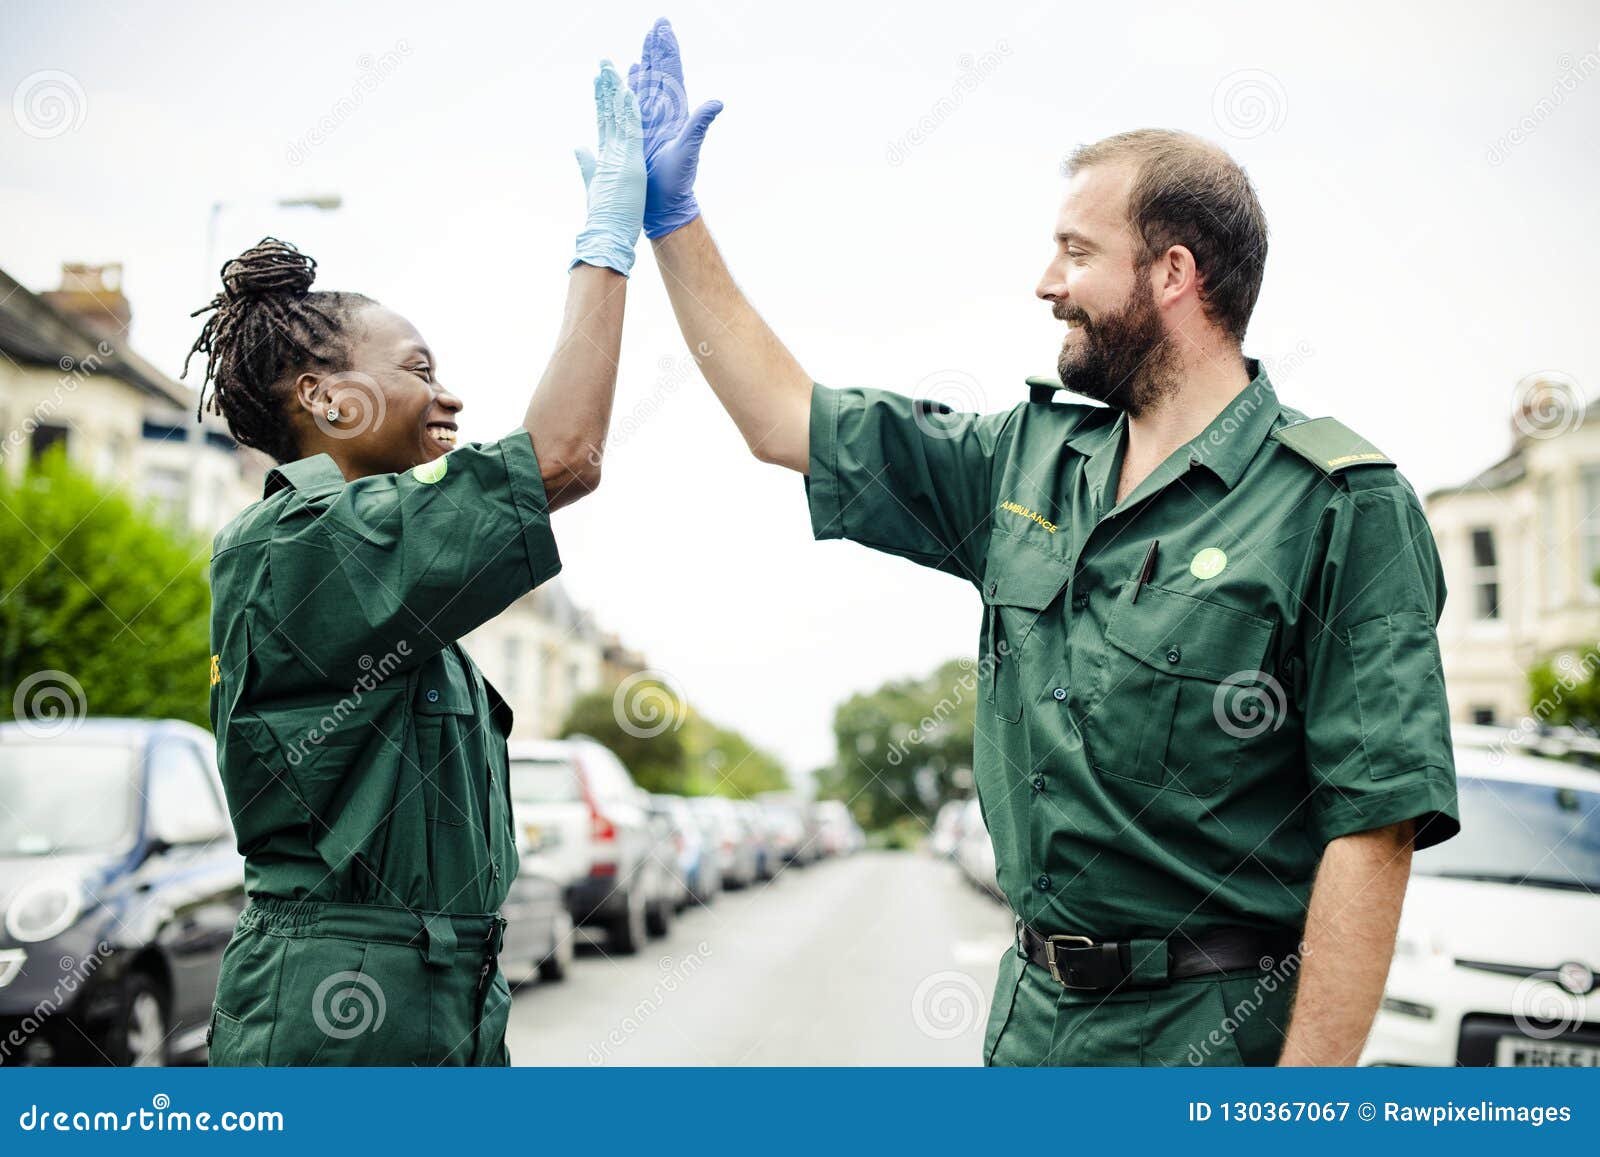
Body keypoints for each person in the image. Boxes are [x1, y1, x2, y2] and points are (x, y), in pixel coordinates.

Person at [629, 18, 1459, 1066]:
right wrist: (674, 222)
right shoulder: (1020, 459)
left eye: (1075, 251)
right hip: (1030, 1026)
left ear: (1172, 274)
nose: (1044, 283)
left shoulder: (1339, 505)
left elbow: (1373, 826)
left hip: (1207, 1033)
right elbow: (782, 419)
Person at [190, 61, 645, 1065]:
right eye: (418, 369)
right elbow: (562, 453)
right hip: (341, 1014)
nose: (449, 400)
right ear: (328, 399)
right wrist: (607, 244)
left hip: (433, 999)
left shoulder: (367, 553)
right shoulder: (303, 547)